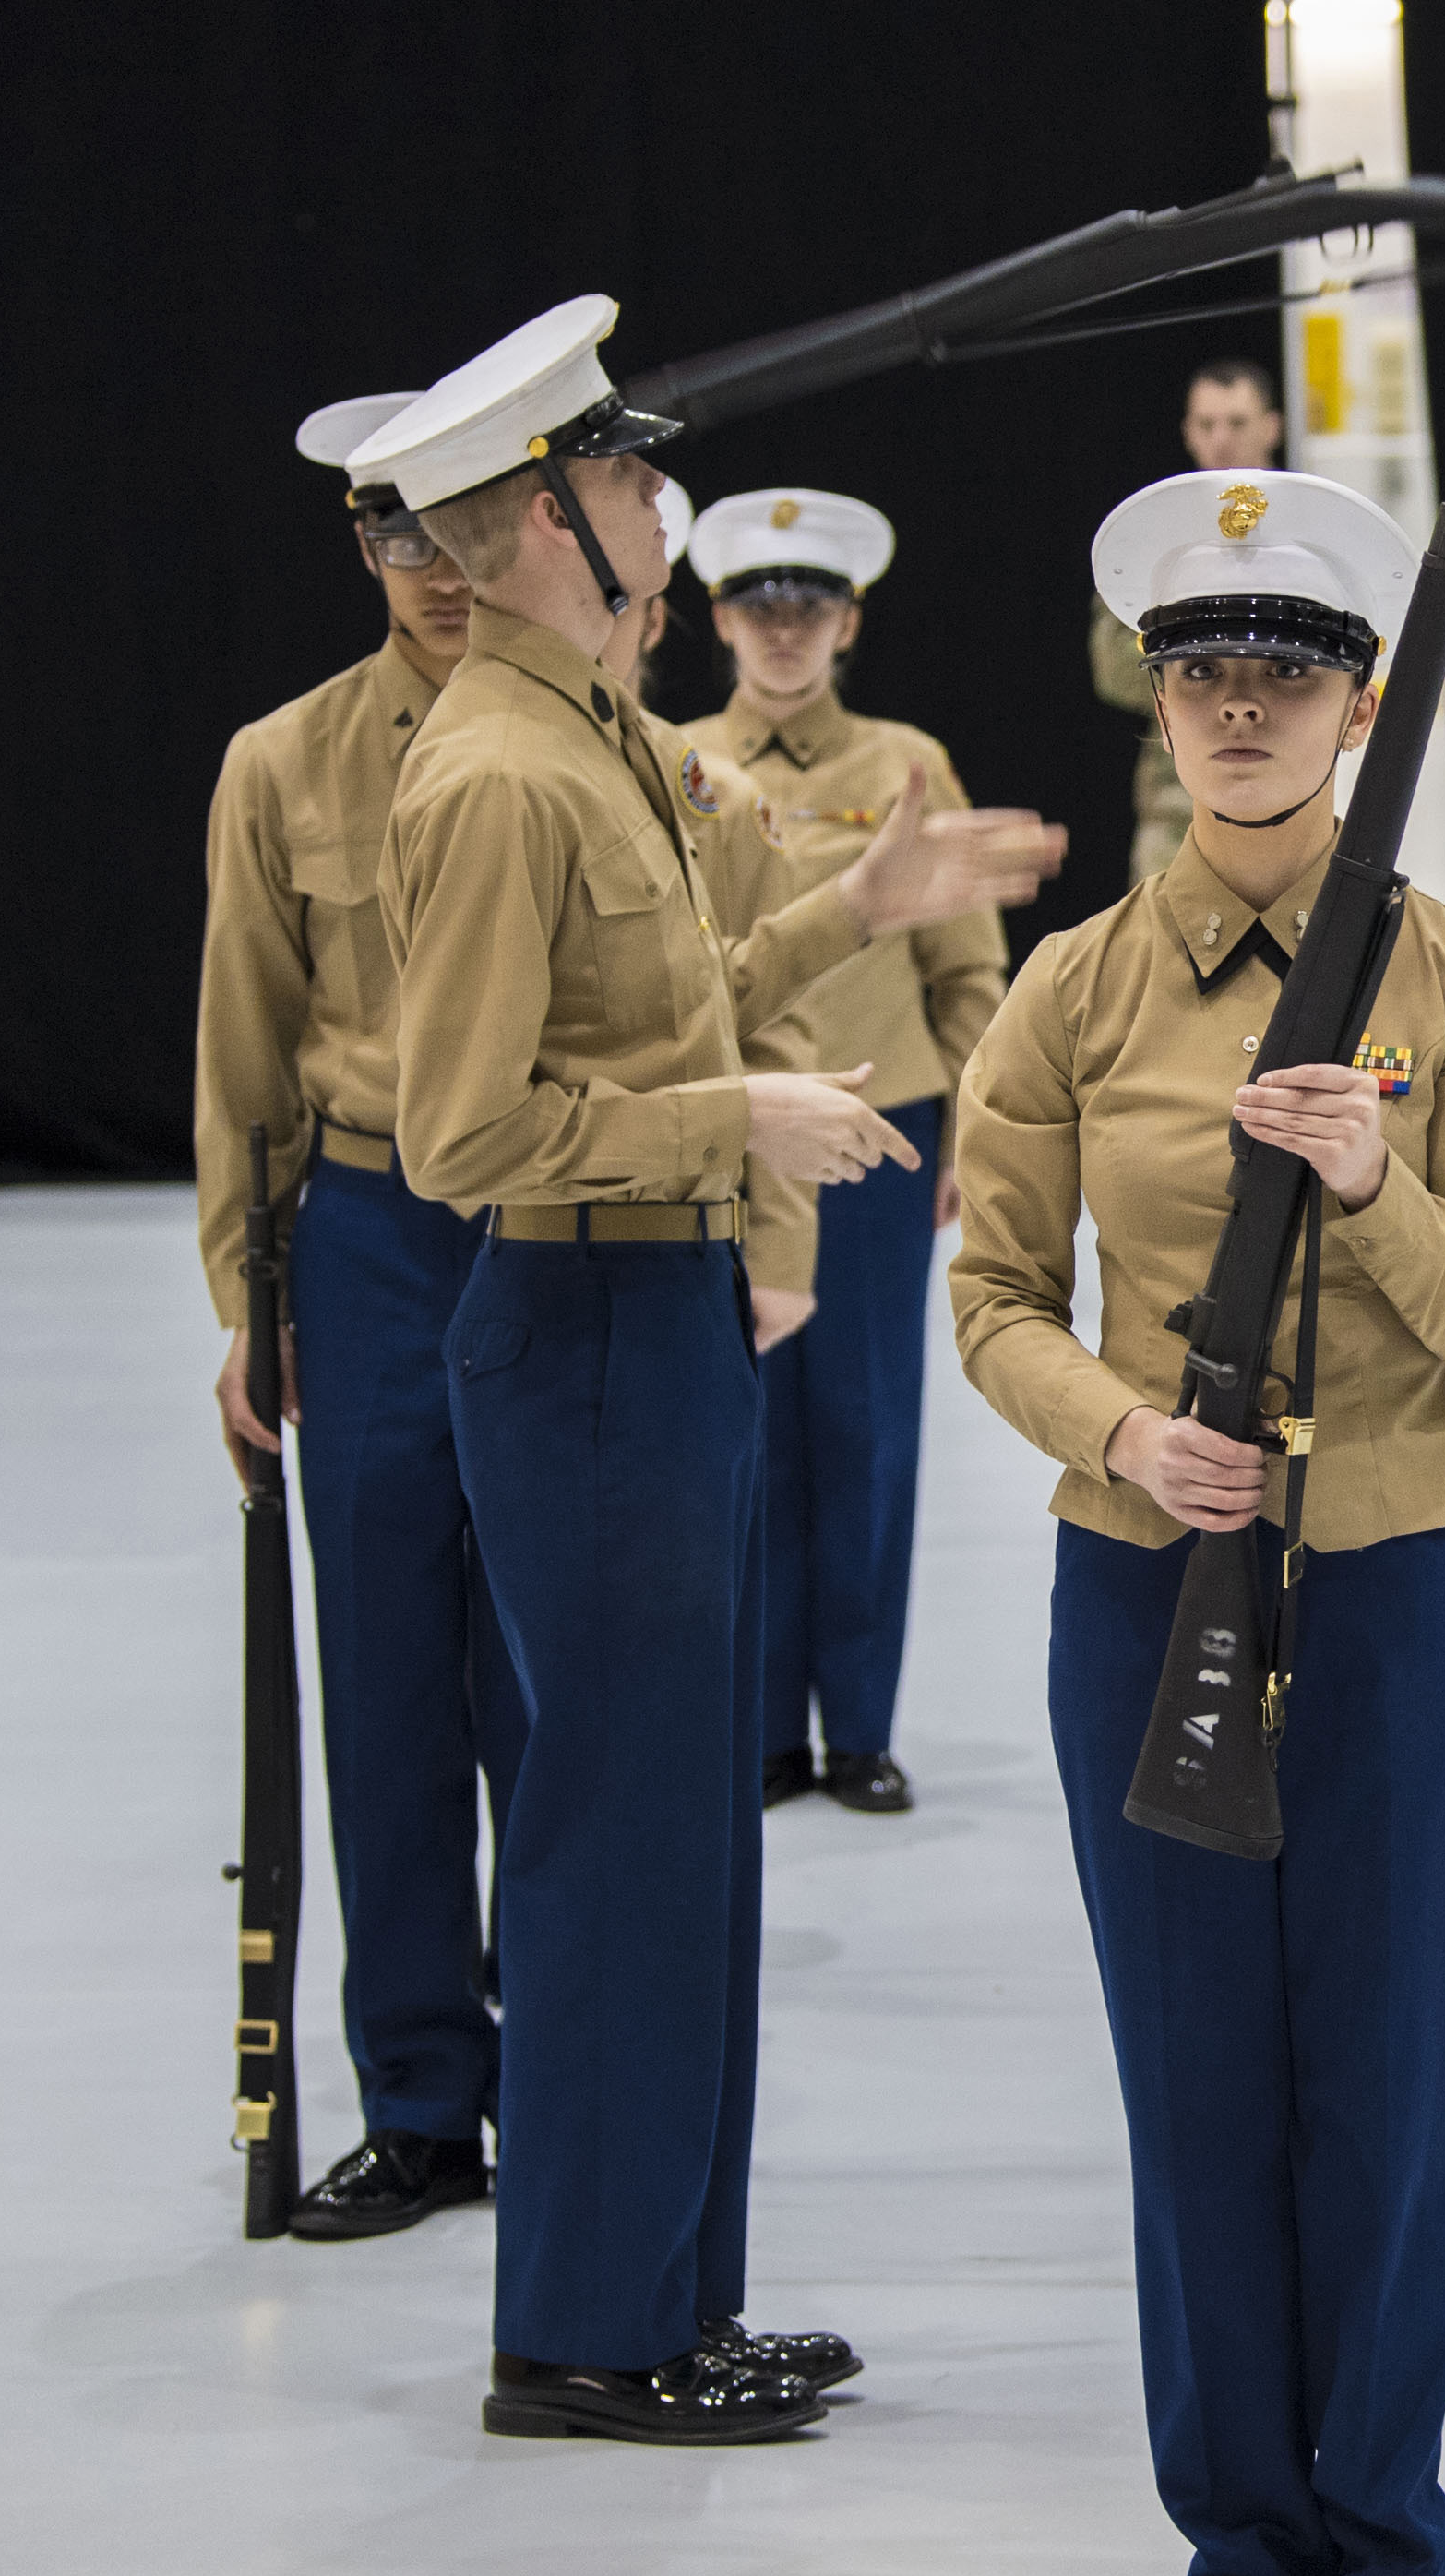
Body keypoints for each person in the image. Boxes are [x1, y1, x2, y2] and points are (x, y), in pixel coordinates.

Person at [351, 297, 1064, 2445]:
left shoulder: (592, 733)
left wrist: (853, 907)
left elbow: (667, 1005)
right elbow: (459, 1131)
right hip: (577, 1326)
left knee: (686, 1841)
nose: (666, 496)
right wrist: (723, 1125)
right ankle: (579, 2325)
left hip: (645, 1323)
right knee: (613, 1834)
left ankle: (666, 2288)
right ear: (548, 515)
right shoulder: (492, 768)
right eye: (633, 470)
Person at [954, 467, 1445, 2576]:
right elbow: (992, 1294)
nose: (1232, 711)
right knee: (1196, 2104)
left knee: (1382, 2103)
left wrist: (1374, 1184)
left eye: (1279, 673)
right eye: (1198, 672)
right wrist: (1112, 1431)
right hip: (1147, 1592)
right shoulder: (1075, 988)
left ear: (1354, 704)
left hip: (1394, 1591)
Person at [192, 389, 525, 2242]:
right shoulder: (287, 765)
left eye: (464, 530)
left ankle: (574, 2072)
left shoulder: (602, 733)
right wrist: (250, 1304)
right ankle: (421, 2096)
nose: (434, 575)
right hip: (376, 1238)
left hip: (561, 1221)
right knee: (388, 1684)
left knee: (552, 1685)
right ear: (360, 548)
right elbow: (243, 1057)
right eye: (397, 538)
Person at [687, 489, 1012, 1816]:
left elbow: (970, 972)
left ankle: (860, 1728)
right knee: (744, 1428)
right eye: (757, 607)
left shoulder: (903, 766)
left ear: (848, 623)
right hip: (734, 1136)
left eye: (806, 607)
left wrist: (970, 1143)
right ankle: (762, 1726)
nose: (781, 631)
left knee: (868, 1427)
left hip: (886, 1142)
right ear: (714, 618)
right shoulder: (679, 762)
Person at [1091, 356, 1284, 882]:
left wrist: (1192, 655)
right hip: (1181, 806)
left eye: (1238, 423)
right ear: (1188, 433)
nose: (1222, 439)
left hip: (1296, 797)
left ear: (1272, 427)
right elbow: (1112, 669)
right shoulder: (1152, 539)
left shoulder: (1307, 535)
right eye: (1207, 424)